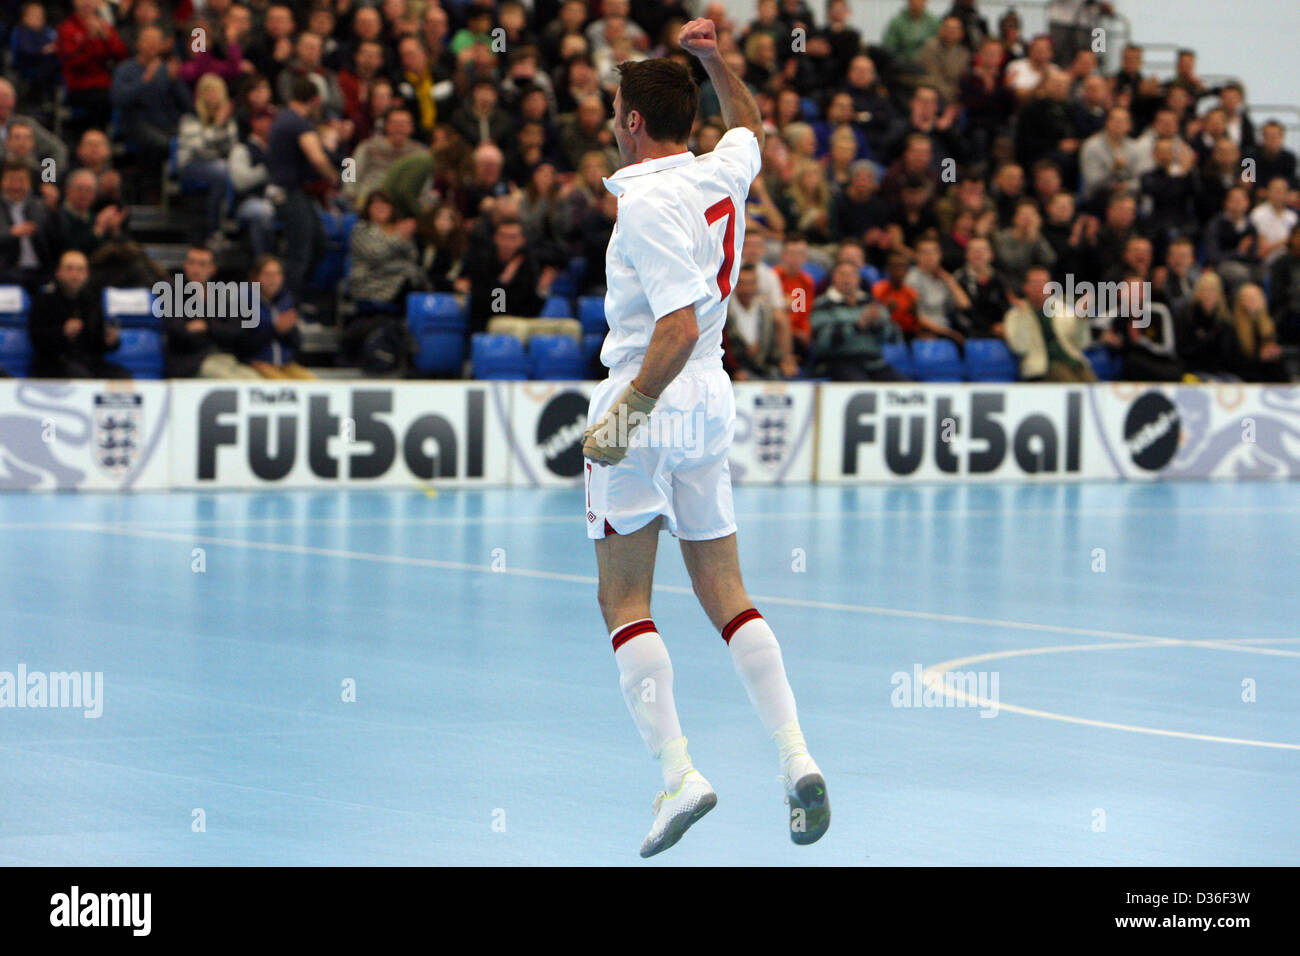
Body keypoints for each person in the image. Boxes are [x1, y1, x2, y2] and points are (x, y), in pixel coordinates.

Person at [582, 19, 828, 858]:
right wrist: (717, 60)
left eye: (617, 107)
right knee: (726, 591)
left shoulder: (647, 202)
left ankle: (679, 773)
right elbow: (751, 126)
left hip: (651, 395)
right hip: (712, 402)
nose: (614, 118)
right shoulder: (721, 170)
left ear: (632, 122)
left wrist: (621, 418)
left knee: (624, 601)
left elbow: (677, 326)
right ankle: (796, 760)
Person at [267, 79, 339, 299]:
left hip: (291, 192)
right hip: (291, 193)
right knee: (300, 253)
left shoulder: (282, 119)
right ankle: (286, 306)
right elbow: (317, 159)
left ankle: (300, 299)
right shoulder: (299, 124)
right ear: (315, 100)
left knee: (319, 244)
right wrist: (336, 178)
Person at [28, 250, 129, 379]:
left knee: (122, 377)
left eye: (80, 270)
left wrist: (110, 341)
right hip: (53, 365)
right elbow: (36, 340)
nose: (75, 274)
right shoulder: (44, 299)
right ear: (58, 272)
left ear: (87, 274)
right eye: (69, 269)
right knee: (78, 374)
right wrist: (62, 332)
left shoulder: (91, 300)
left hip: (87, 362)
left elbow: (97, 344)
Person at [163, 245, 260, 379]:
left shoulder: (220, 296)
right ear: (185, 266)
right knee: (230, 381)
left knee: (255, 381)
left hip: (225, 358)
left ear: (212, 269)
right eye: (191, 263)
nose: (196, 269)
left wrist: (206, 326)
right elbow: (180, 332)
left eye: (202, 264)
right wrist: (218, 330)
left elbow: (236, 330)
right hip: (191, 363)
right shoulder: (172, 295)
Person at [1003, 265, 1096, 382]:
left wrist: (1081, 320)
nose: (1040, 287)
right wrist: (1022, 316)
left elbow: (1082, 343)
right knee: (1066, 379)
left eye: (1044, 283)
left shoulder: (1062, 309)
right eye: (1035, 283)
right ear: (1025, 287)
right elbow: (1020, 348)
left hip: (1071, 361)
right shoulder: (1014, 315)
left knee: (1094, 386)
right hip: (1041, 369)